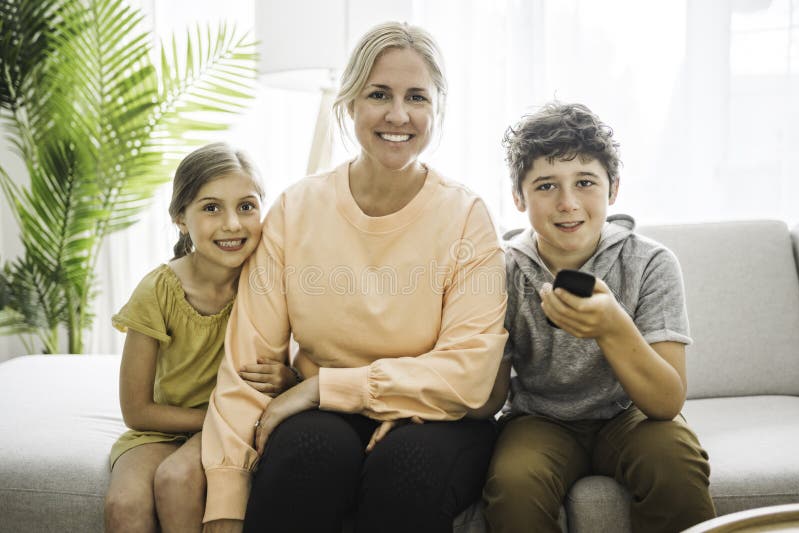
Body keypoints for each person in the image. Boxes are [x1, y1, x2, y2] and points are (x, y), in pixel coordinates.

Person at [200, 22, 508, 533]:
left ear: (437, 109)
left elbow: (469, 375)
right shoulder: (297, 209)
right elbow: (248, 367)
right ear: (348, 103)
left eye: (417, 97)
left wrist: (320, 387)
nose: (398, 114)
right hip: (326, 415)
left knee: (406, 468)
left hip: (434, 416)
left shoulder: (466, 216)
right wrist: (226, 500)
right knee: (307, 453)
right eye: (379, 94)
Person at [481, 102, 717, 533]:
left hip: (630, 415)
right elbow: (490, 398)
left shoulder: (650, 263)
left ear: (613, 189)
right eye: (546, 185)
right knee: (514, 483)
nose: (568, 203)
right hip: (538, 419)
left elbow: (666, 403)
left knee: (675, 463)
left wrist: (612, 328)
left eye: (585, 182)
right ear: (518, 197)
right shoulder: (502, 271)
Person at [104, 143, 299, 532]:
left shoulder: (270, 285)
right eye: (211, 208)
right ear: (180, 218)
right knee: (123, 505)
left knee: (177, 480)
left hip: (231, 427)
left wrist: (290, 381)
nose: (232, 224)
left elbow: (303, 365)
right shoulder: (158, 291)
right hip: (163, 428)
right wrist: (211, 418)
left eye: (246, 206)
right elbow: (136, 410)